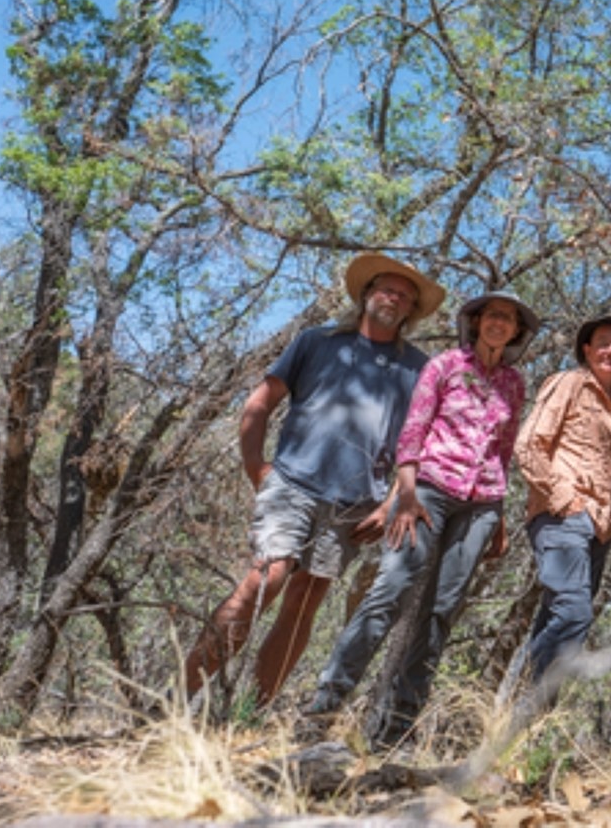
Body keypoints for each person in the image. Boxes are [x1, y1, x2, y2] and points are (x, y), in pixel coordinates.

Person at [184, 253, 444, 706]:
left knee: (304, 602)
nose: (393, 298)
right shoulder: (317, 341)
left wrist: (390, 503)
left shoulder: (418, 370)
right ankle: (176, 700)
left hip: (354, 504)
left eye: (403, 296)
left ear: (410, 311)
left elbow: (418, 443)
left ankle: (251, 714)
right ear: (366, 295)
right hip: (293, 483)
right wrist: (255, 467)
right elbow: (260, 403)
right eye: (386, 289)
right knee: (268, 577)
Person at [302, 290, 534, 742]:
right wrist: (404, 494)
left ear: (516, 332)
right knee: (391, 589)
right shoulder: (445, 365)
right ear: (476, 321)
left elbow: (503, 451)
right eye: (493, 315)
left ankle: (395, 730)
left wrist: (500, 512)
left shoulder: (514, 383)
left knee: (442, 608)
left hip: (482, 503)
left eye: (509, 319)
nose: (499, 323)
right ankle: (323, 709)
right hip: (428, 490)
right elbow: (413, 432)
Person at [518, 314, 611, 683]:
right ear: (587, 350)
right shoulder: (568, 383)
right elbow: (530, 444)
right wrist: (564, 499)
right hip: (562, 517)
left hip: (598, 527)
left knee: (556, 617)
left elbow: (606, 464)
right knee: (574, 614)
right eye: (603, 343)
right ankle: (530, 706)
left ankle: (512, 718)